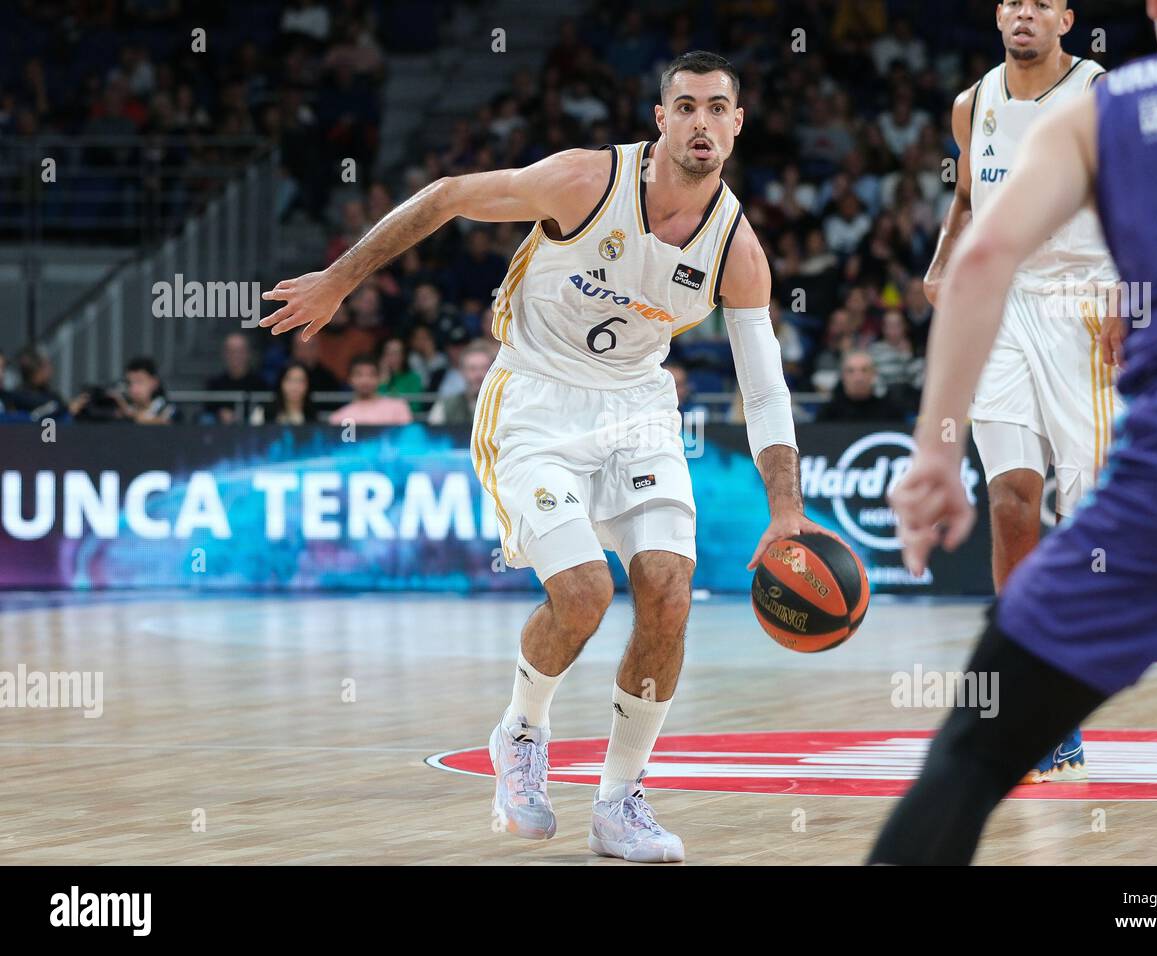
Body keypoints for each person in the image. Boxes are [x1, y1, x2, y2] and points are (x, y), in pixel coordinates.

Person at [261, 50, 843, 863]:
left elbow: (767, 389)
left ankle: (620, 802)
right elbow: (448, 198)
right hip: (533, 397)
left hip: (638, 408)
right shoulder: (584, 181)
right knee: (583, 593)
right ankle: (522, 731)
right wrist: (339, 278)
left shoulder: (737, 249)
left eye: (718, 108)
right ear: (661, 119)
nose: (702, 122)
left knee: (669, 593)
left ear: (738, 124)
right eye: (687, 106)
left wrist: (786, 506)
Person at [871, 0, 1157, 865]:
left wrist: (932, 450)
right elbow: (975, 232)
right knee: (1016, 500)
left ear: (1150, 8)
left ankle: (1117, 621)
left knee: (970, 750)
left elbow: (980, 261)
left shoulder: (1109, 102)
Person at [920, 0, 1121, 784]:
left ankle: (1069, 674)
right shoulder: (973, 103)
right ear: (999, 15)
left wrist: (1130, 294)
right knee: (1010, 499)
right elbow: (968, 199)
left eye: (1040, 3)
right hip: (1003, 305)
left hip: (1083, 304)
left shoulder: (1100, 93)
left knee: (1092, 527)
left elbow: (1134, 198)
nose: (1024, 14)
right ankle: (1036, 702)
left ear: (1066, 18)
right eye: (1012, 2)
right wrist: (943, 258)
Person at [816, 350, 905, 422]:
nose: (858, 378)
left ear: (873, 374)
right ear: (843, 376)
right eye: (851, 371)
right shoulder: (828, 414)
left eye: (864, 370)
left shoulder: (890, 412)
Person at [327, 355, 413, 426]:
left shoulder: (398, 408)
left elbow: (407, 441)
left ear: (379, 378)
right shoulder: (338, 418)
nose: (365, 380)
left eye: (371, 375)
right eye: (359, 375)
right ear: (350, 379)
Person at [427, 340, 493, 425]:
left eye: (484, 368)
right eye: (472, 369)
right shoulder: (446, 405)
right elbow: (433, 433)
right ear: (462, 371)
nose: (478, 375)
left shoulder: (505, 405)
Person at [205, 332, 267, 423]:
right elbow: (207, 409)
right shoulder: (214, 384)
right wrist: (220, 413)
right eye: (232, 351)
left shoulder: (260, 384)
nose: (236, 356)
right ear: (224, 354)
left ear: (248, 353)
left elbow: (265, 410)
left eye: (240, 351)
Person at [250, 361, 317, 425]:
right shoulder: (262, 412)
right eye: (290, 380)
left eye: (300, 381)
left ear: (307, 385)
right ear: (281, 383)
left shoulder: (312, 415)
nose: (295, 387)